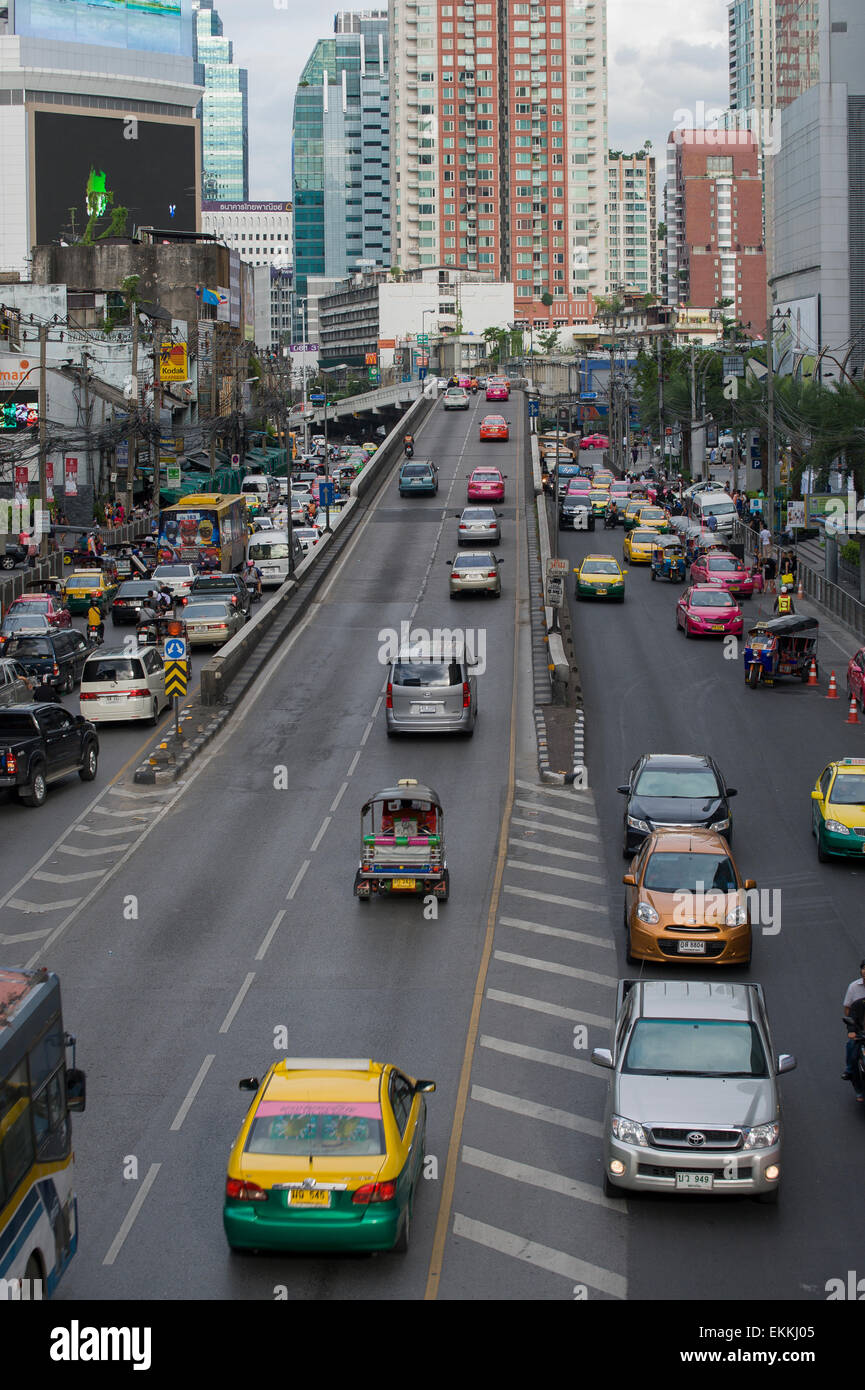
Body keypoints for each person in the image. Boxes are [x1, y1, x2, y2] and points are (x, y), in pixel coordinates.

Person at [843, 960, 865, 1095]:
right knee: (852, 1048)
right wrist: (853, 1029)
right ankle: (851, 1071)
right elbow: (848, 1010)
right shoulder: (854, 988)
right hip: (860, 1030)